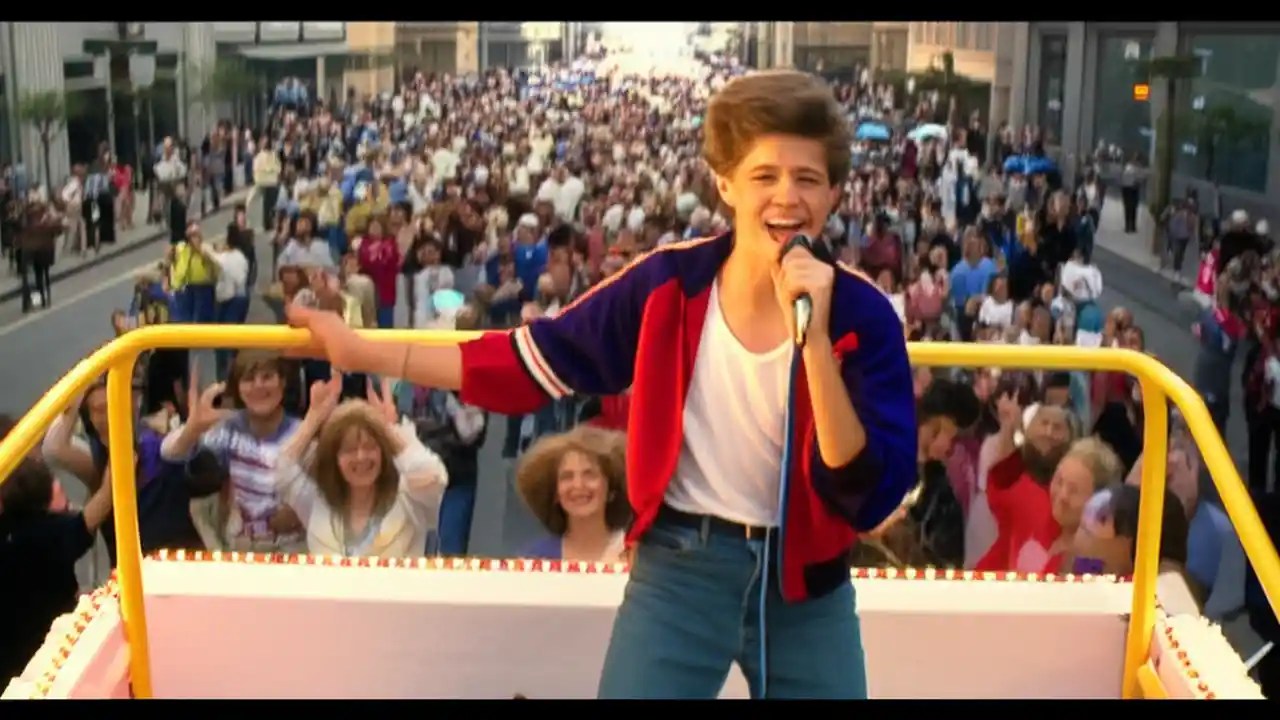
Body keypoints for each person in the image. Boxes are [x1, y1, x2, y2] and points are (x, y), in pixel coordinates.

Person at [284, 69, 916, 700]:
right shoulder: (668, 286)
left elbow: (865, 490)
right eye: (764, 176)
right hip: (681, 568)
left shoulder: (865, 318)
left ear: (834, 192)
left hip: (807, 585)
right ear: (725, 184)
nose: (786, 197)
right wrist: (363, 350)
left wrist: (815, 340)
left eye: (807, 179)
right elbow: (530, 361)